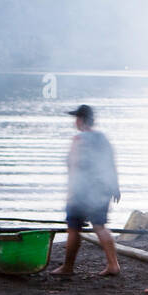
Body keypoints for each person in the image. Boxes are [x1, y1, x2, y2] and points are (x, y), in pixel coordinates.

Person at [51, 104, 121, 278]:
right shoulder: (103, 138)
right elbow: (110, 163)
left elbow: (74, 165)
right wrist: (115, 186)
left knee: (73, 228)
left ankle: (67, 267)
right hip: (102, 189)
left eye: (76, 118)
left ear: (81, 120)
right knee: (100, 226)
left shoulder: (79, 140)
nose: (75, 121)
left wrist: (72, 192)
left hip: (81, 191)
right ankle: (113, 265)